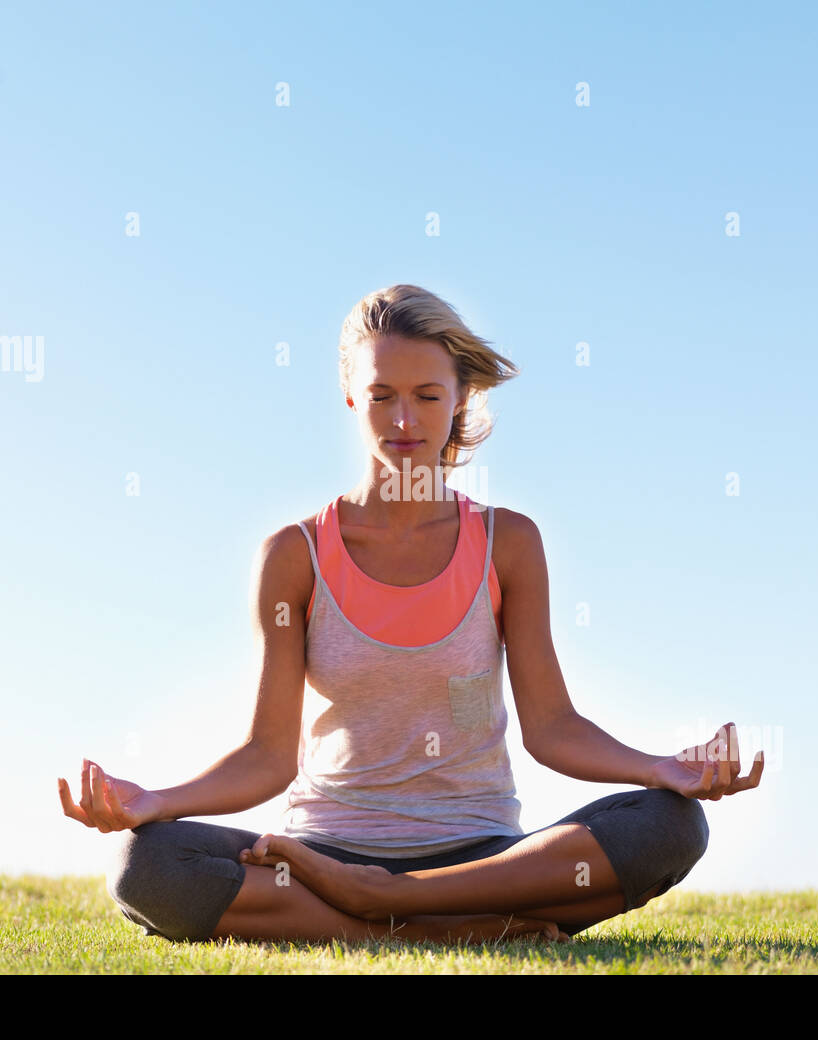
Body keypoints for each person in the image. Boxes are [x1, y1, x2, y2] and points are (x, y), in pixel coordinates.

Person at [58, 284, 763, 946]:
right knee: (148, 864)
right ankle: (438, 927)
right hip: (322, 852)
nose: (404, 420)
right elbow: (267, 756)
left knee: (667, 825)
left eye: (427, 395)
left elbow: (552, 728)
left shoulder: (508, 543)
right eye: (382, 395)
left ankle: (394, 906)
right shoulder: (294, 555)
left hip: (480, 855)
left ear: (460, 398)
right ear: (348, 396)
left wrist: (661, 768)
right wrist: (155, 799)